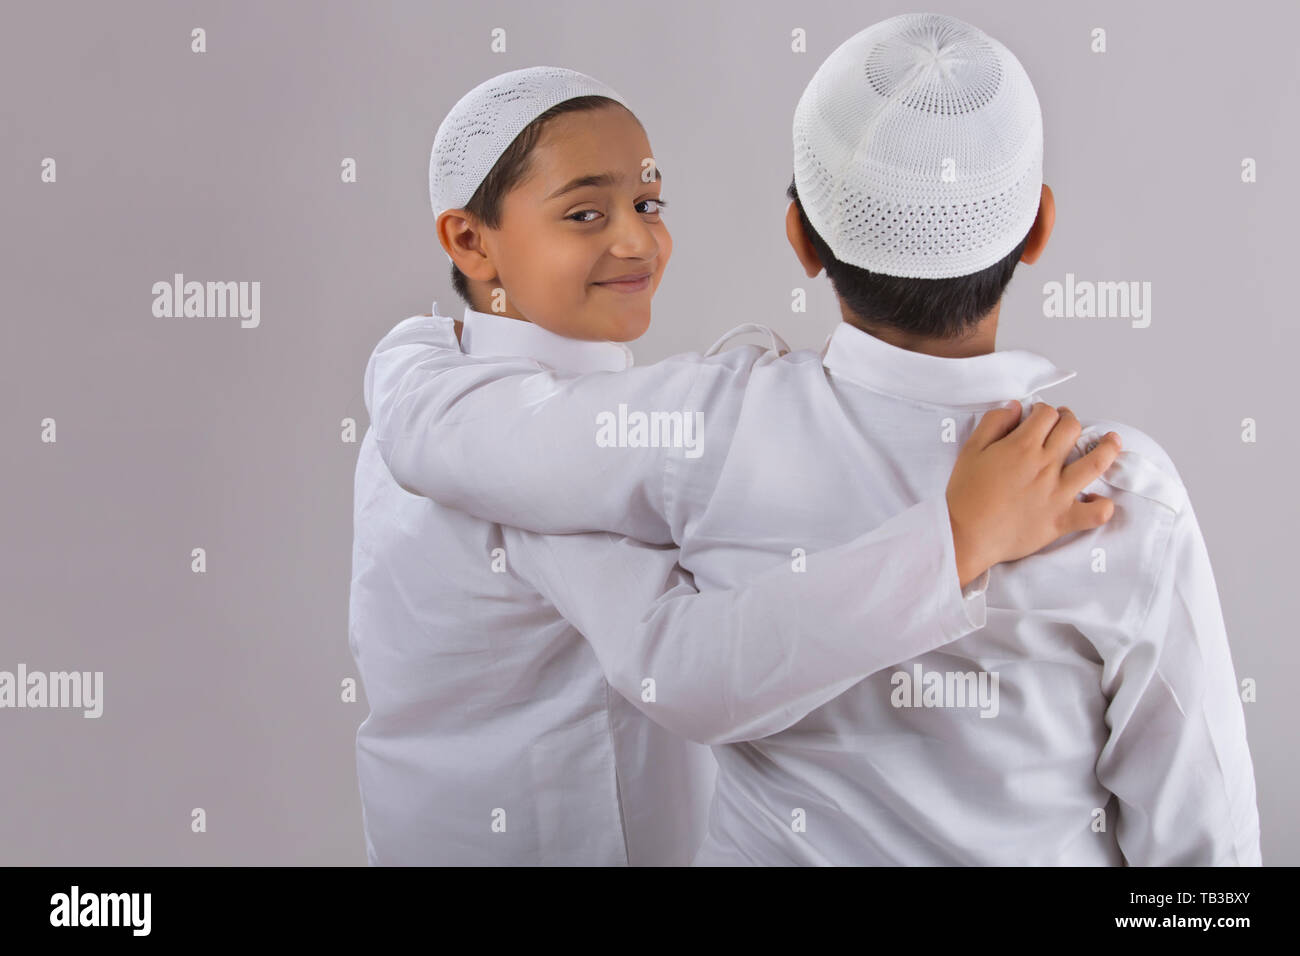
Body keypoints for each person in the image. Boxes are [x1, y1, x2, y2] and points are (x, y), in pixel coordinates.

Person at [366, 15, 1260, 864]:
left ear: (799, 238)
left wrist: (406, 359)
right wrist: (954, 541)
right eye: (589, 213)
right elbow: (1204, 863)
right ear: (1037, 227)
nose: (637, 237)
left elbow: (458, 436)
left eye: (646, 200)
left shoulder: (695, 426)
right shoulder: (1124, 495)